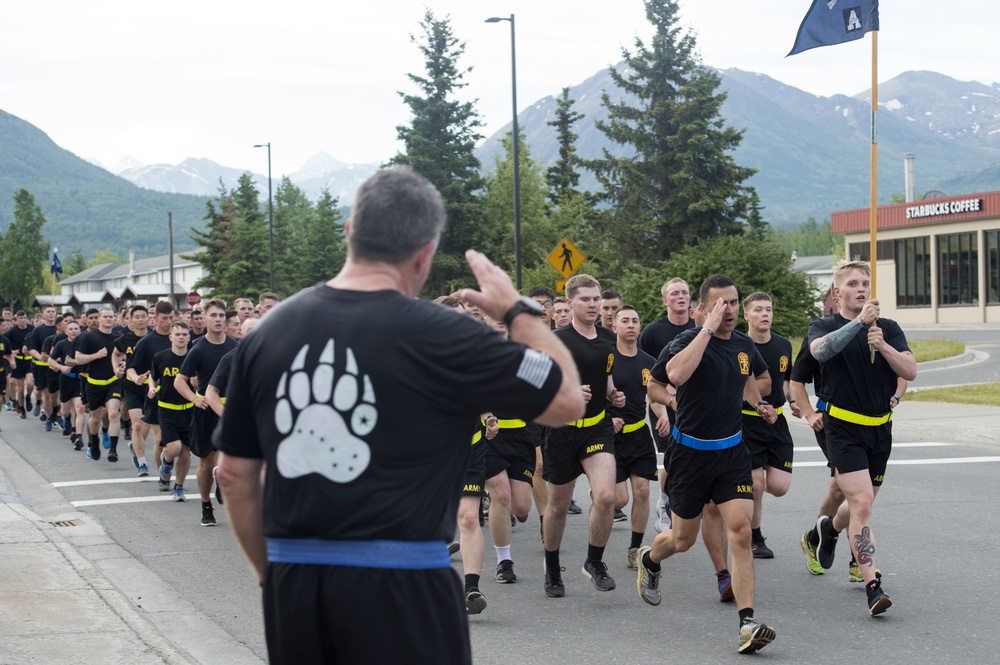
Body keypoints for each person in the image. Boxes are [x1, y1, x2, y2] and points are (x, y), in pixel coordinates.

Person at [214, 166, 584, 664]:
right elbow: (566, 400)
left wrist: (275, 575)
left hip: (296, 579)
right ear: (426, 251)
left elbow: (234, 475)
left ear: (349, 232)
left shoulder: (266, 334)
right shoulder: (449, 336)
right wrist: (518, 312)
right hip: (406, 580)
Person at [636, 274, 777, 654]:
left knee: (742, 532)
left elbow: (747, 377)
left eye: (733, 302)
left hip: (731, 453)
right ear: (702, 308)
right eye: (720, 304)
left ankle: (747, 623)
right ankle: (650, 559)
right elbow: (669, 378)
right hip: (689, 455)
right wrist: (706, 331)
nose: (728, 310)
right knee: (683, 540)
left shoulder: (744, 345)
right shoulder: (685, 342)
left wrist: (757, 404)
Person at [801, 260, 916, 615]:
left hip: (880, 428)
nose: (861, 288)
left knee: (855, 505)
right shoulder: (824, 325)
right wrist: (857, 323)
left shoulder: (889, 329)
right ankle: (872, 587)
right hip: (843, 427)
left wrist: (883, 346)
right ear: (838, 292)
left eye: (865, 283)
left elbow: (910, 370)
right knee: (862, 504)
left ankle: (827, 531)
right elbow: (820, 351)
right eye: (853, 283)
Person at [542, 274, 625, 597]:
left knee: (606, 497)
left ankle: (595, 562)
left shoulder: (607, 338)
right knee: (558, 506)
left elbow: (605, 377)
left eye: (596, 299)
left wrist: (614, 395)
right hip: (561, 431)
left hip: (596, 426)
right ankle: (551, 568)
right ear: (569, 303)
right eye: (585, 300)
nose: (593, 305)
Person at [740, 292, 796, 559]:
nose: (765, 314)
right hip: (746, 423)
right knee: (756, 484)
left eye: (769, 309)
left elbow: (786, 380)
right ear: (746, 315)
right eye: (759, 309)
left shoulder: (784, 345)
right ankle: (755, 537)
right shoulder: (739, 346)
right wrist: (758, 405)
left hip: (777, 423)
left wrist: (793, 400)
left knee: (779, 486)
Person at [637, 278, 695, 533]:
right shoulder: (652, 333)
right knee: (675, 459)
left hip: (698, 406)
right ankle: (665, 501)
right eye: (674, 294)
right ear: (665, 300)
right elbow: (648, 378)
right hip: (665, 406)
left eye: (684, 293)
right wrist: (662, 407)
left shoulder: (700, 328)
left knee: (696, 459)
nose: (681, 297)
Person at [175, 299, 237, 526]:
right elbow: (180, 381)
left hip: (230, 410)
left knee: (225, 458)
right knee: (206, 463)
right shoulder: (198, 348)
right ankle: (205, 503)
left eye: (222, 316)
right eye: (214, 316)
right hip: (205, 410)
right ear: (205, 319)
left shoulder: (235, 346)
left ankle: (223, 478)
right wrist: (194, 398)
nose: (219, 320)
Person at [607, 305, 660, 569]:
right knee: (618, 500)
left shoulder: (649, 362)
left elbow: (654, 396)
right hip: (611, 438)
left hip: (639, 434)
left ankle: (635, 547)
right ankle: (600, 500)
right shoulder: (606, 358)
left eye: (635, 320)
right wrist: (608, 419)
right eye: (624, 321)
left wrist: (663, 415)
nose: (630, 324)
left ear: (640, 327)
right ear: (614, 327)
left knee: (641, 492)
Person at [74, 308, 125, 462]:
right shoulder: (89, 337)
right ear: (100, 319)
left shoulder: (119, 337)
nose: (108, 319)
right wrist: (95, 355)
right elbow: (77, 359)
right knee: (95, 419)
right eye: (105, 316)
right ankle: (94, 440)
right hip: (94, 382)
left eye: (111, 316)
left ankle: (113, 451)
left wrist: (123, 364)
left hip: (113, 381)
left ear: (115, 319)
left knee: (113, 413)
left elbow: (125, 356)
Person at [151, 321, 194, 502]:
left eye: (184, 334)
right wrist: (151, 388)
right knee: (174, 448)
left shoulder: (193, 358)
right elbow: (153, 377)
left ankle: (179, 487)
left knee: (185, 452)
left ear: (189, 337)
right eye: (178, 334)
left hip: (189, 410)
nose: (181, 337)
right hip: (167, 409)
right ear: (171, 337)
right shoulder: (161, 357)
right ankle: (166, 462)